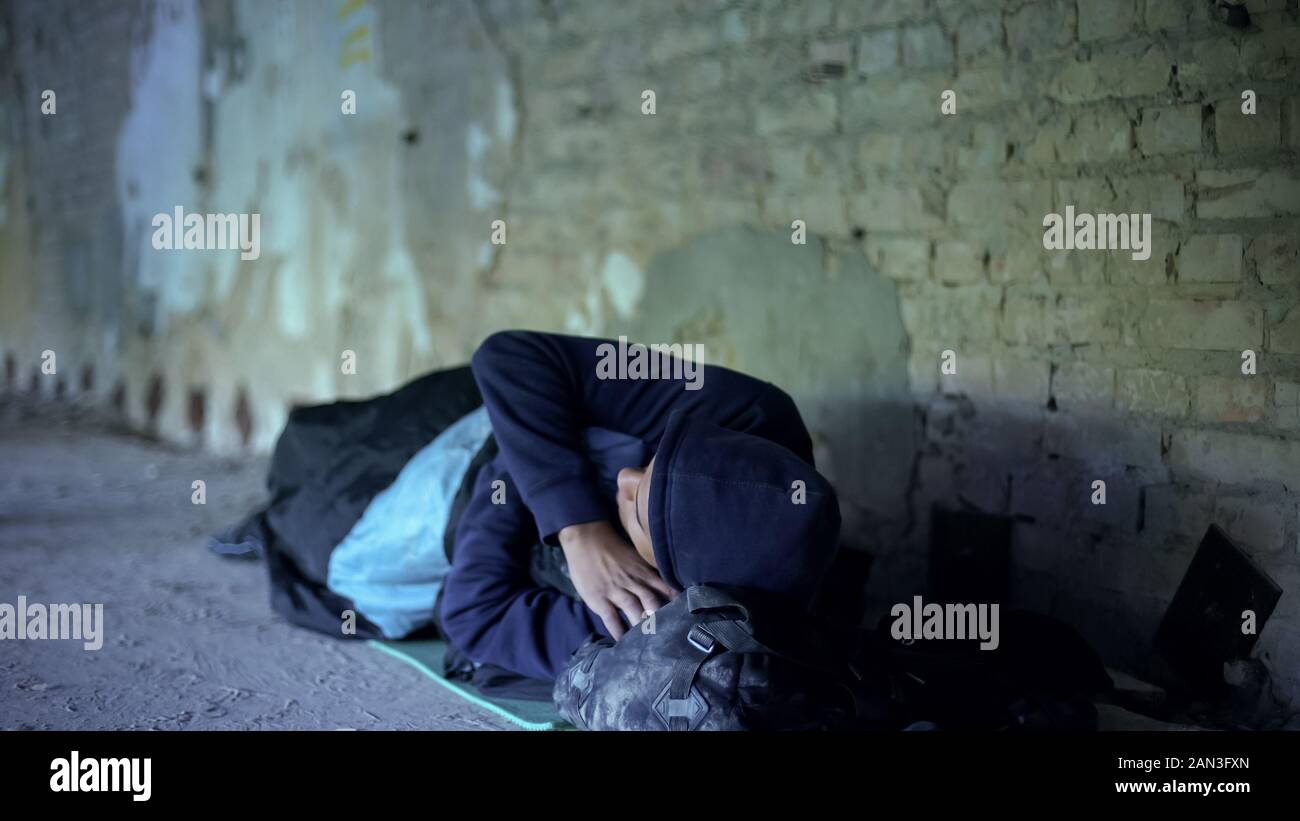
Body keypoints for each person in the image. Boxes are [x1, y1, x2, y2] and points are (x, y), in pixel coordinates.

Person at [437, 330, 842, 681]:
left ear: (672, 579)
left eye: (638, 513)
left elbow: (473, 615)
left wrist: (524, 470)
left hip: (458, 498)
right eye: (652, 462)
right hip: (492, 418)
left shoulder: (658, 617)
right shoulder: (748, 414)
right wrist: (580, 528)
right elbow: (508, 357)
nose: (626, 478)